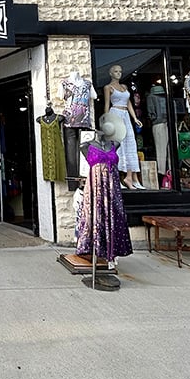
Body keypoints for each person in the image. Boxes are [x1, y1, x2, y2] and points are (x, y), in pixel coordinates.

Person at [76, 110, 132, 275]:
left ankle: (112, 254)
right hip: (96, 189)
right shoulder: (85, 146)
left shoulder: (115, 144)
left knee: (114, 217)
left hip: (113, 189)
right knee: (96, 216)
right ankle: (96, 251)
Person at [103, 64, 144, 189]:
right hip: (115, 114)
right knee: (118, 145)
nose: (118, 73)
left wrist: (135, 118)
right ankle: (119, 178)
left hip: (125, 115)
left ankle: (131, 177)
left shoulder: (124, 87)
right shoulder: (108, 87)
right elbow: (106, 104)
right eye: (116, 71)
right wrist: (106, 119)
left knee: (130, 143)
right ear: (111, 73)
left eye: (120, 71)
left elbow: (128, 103)